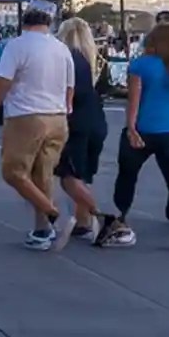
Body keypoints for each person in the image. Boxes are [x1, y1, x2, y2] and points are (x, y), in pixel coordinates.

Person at [0, 2, 76, 251]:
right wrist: (64, 110)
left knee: (13, 172)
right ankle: (42, 230)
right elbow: (70, 88)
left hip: (26, 116)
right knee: (42, 175)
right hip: (57, 117)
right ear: (48, 25)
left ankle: (53, 214)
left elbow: (3, 82)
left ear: (23, 23)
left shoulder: (17, 45)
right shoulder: (61, 49)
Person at [99, 22, 169, 252]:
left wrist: (131, 128)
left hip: (143, 130)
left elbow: (134, 100)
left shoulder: (140, 65)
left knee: (127, 176)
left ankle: (120, 218)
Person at [52, 17, 112, 241]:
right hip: (96, 121)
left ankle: (103, 218)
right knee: (83, 174)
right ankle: (83, 220)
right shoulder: (94, 61)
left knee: (67, 174)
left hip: (75, 123)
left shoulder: (67, 60)